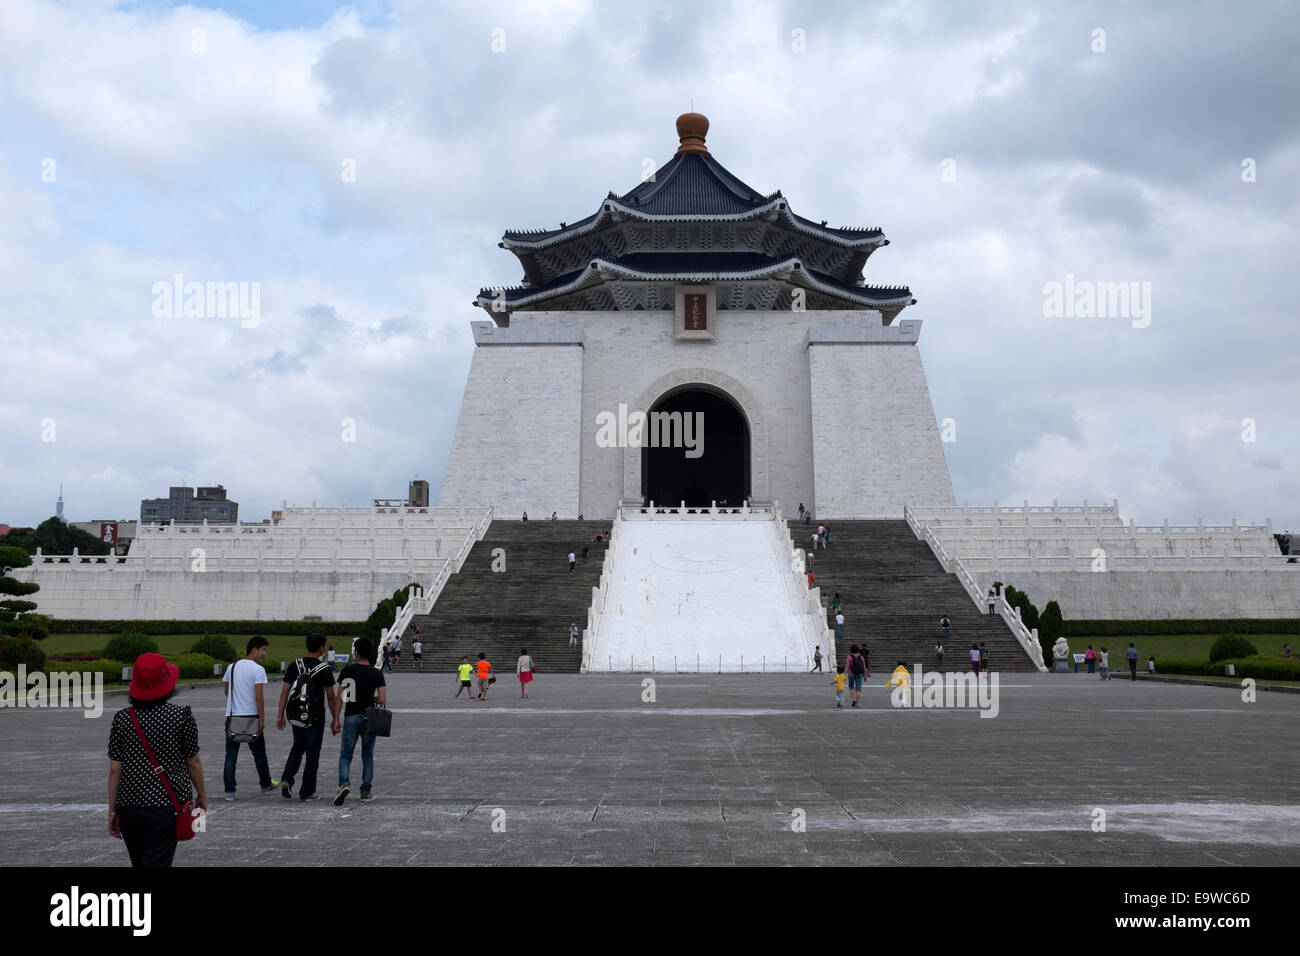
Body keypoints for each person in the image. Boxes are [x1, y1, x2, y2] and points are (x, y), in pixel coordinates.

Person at [108, 653, 206, 867]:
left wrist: (113, 810)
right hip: (165, 807)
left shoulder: (123, 718)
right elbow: (192, 761)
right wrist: (202, 795)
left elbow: (115, 769)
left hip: (129, 807)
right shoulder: (180, 716)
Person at [276, 634, 340, 802]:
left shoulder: (294, 665)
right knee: (312, 754)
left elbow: (284, 692)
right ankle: (307, 792)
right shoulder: (324, 669)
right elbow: (331, 696)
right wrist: (336, 719)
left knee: (297, 747)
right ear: (321, 648)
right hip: (316, 717)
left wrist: (280, 715)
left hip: (297, 716)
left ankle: (286, 780)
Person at [222, 636, 276, 800]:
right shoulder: (258, 670)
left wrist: (236, 701)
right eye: (263, 650)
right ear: (255, 649)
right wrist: (262, 719)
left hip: (233, 716)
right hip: (251, 716)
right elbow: (259, 696)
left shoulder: (232, 667)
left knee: (231, 755)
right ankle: (265, 784)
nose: (264, 654)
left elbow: (227, 690)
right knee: (259, 753)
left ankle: (229, 791)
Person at [335, 637, 385, 805]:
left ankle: (343, 784)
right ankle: (365, 791)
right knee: (368, 755)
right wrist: (372, 699)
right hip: (368, 717)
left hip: (351, 716)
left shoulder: (347, 671)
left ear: (356, 652)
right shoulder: (376, 673)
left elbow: (339, 698)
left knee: (345, 755)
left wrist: (335, 719)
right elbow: (382, 698)